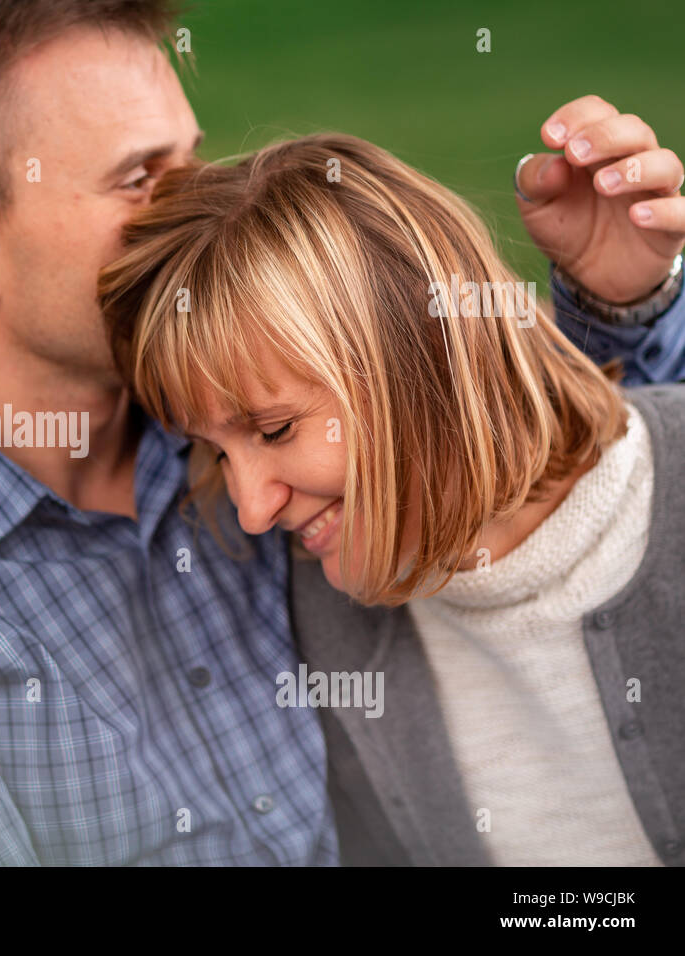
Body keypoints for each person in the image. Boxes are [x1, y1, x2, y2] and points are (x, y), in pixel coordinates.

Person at [0, 0, 685, 865]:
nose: (201, 205)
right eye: (142, 177)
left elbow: (473, 445)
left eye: (191, 155)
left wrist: (615, 308)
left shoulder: (235, 418)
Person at [99, 132, 685, 866]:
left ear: (424, 354)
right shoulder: (320, 607)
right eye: (216, 451)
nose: (253, 508)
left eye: (275, 429)